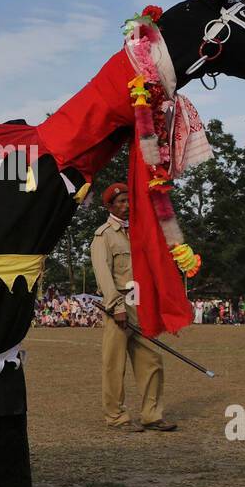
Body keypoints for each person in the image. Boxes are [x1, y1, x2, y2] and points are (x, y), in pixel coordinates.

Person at [90, 182, 173, 433]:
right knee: (114, 364)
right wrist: (116, 306)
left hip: (141, 303)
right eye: (121, 202)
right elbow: (103, 274)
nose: (126, 206)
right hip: (119, 305)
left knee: (152, 359)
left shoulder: (139, 231)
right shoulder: (103, 235)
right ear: (110, 206)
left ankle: (152, 415)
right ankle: (116, 416)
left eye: (129, 201)